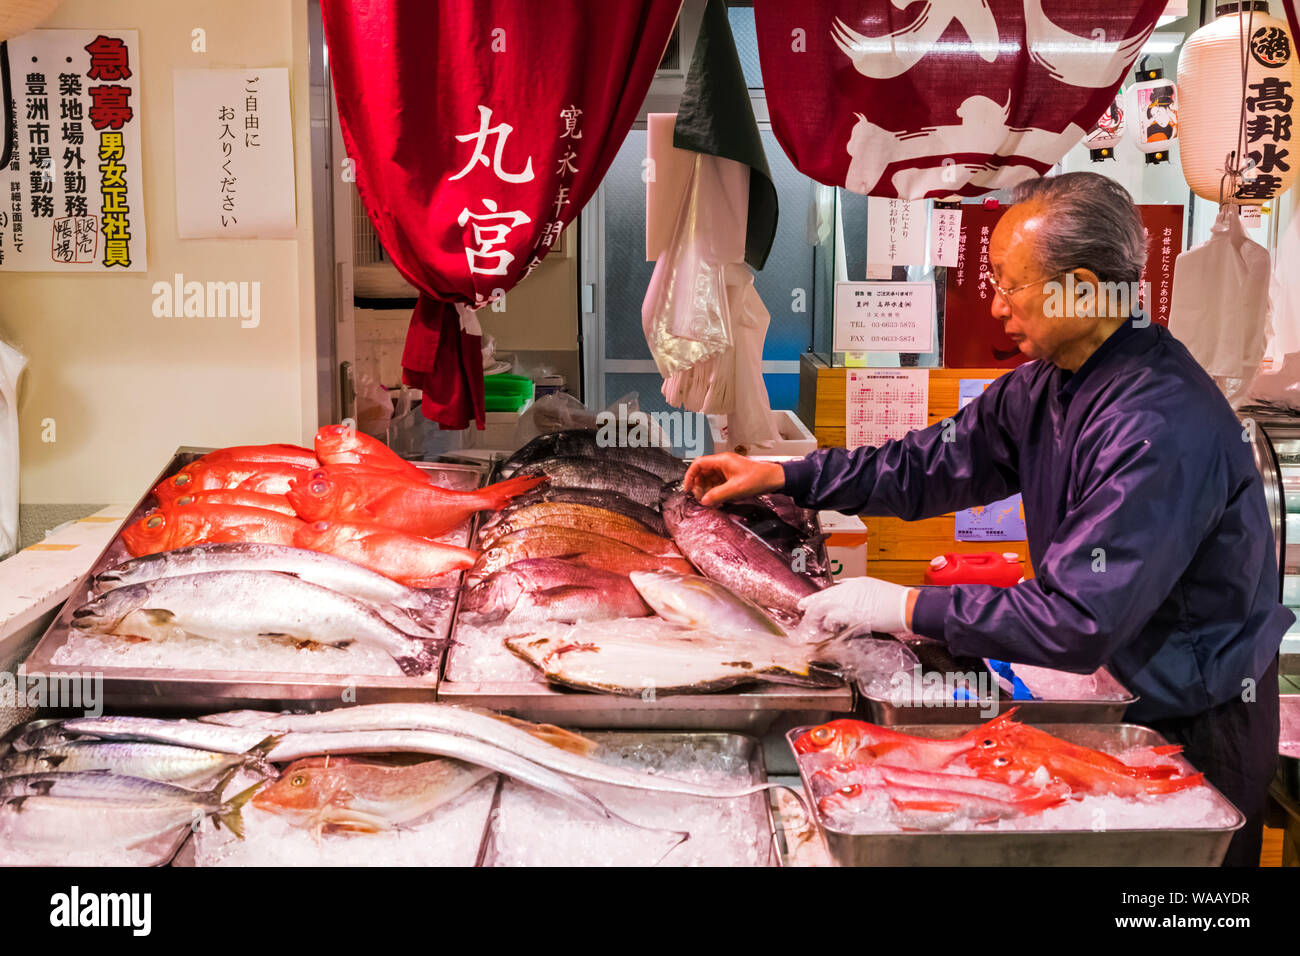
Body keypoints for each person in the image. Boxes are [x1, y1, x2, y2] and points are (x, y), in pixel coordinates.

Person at [684, 172, 1290, 867]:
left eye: (1009, 282)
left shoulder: (1157, 423)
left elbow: (1075, 617)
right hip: (1117, 694)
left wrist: (902, 604)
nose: (994, 301)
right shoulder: (1047, 383)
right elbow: (928, 465)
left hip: (1196, 714)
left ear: (1084, 289)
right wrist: (790, 474)